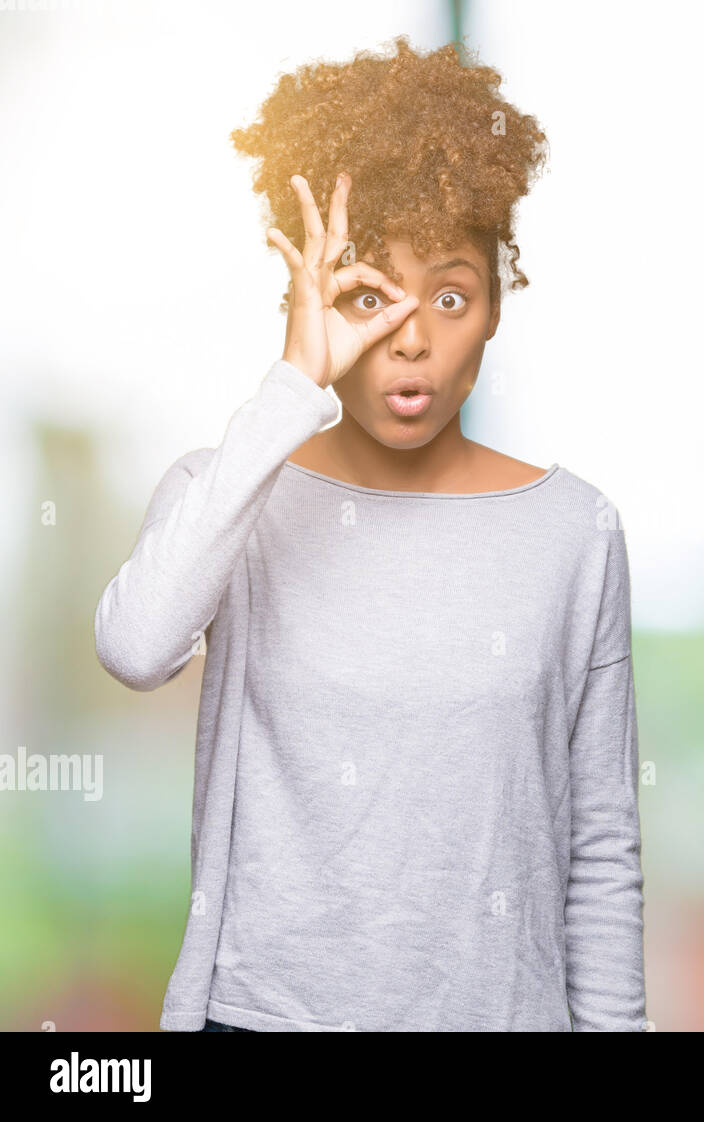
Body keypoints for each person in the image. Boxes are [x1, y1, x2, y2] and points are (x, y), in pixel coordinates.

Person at [93, 36, 646, 1032]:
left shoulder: (574, 533)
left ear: (494, 305)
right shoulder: (232, 497)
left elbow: (601, 849)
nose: (412, 341)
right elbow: (134, 649)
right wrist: (291, 387)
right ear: (313, 305)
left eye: (448, 295)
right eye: (366, 296)